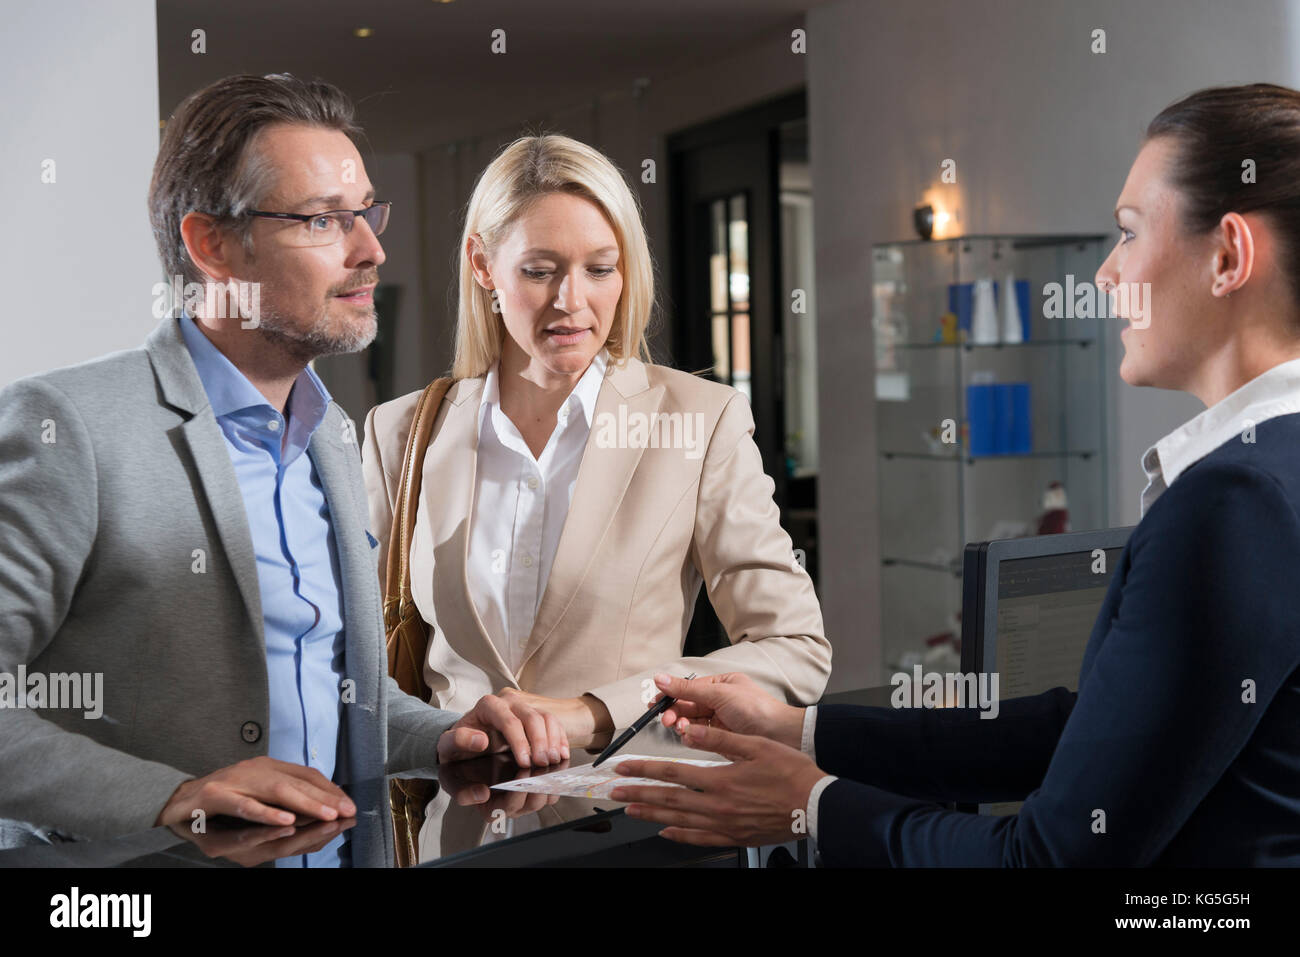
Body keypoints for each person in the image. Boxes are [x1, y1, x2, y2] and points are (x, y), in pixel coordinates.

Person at [611, 83, 1300, 866]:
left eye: (1129, 233)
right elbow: (1090, 732)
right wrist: (800, 729)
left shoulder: (1234, 503)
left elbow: (1043, 860)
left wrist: (809, 804)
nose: (1106, 274)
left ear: (1229, 255)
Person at [0, 74, 566, 855]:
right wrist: (171, 796)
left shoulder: (331, 431)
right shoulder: (71, 426)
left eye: (367, 211)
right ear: (213, 245)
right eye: (325, 220)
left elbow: (334, 689)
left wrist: (444, 734)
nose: (371, 248)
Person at [362, 134, 831, 747]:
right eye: (539, 270)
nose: (571, 301)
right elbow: (354, 667)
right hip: (459, 827)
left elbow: (795, 651)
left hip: (630, 817)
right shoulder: (398, 433)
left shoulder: (698, 421)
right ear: (483, 266)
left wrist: (594, 712)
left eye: (600, 269)